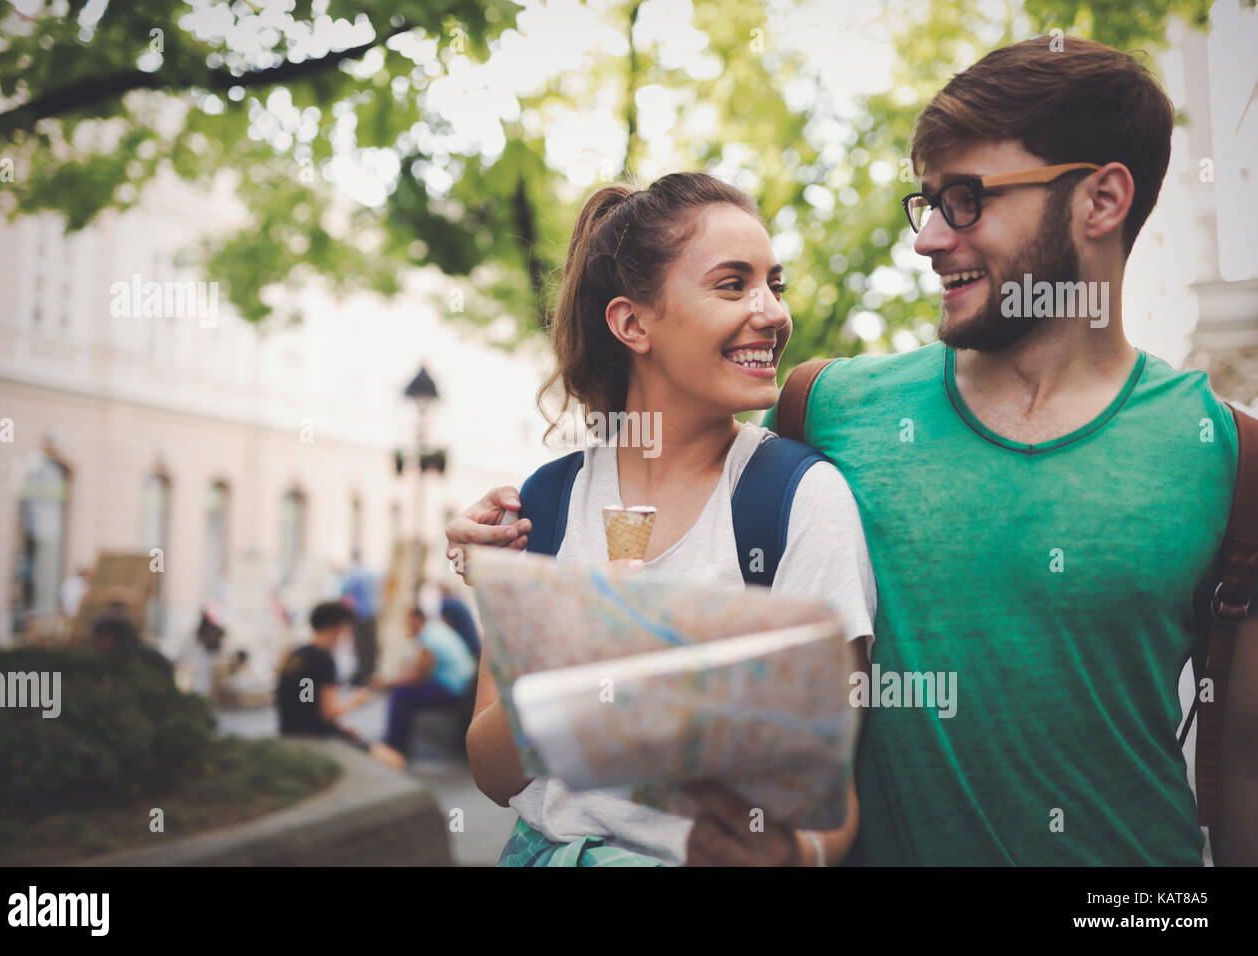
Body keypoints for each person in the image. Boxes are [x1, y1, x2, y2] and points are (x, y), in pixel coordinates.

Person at [451, 39, 1258, 866]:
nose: (929, 238)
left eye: (968, 200)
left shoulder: (1230, 452)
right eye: (929, 203)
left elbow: (1243, 757)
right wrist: (509, 553)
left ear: (1103, 199)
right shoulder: (828, 407)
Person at [448, 172, 877, 867]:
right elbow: (494, 775)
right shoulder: (549, 503)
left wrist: (792, 856)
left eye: (776, 283)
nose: (772, 313)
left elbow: (832, 804)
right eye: (733, 284)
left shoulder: (797, 501)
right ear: (632, 323)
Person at [275, 600, 405, 770]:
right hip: (315, 738)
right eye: (346, 628)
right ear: (333, 627)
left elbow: (305, 704)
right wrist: (358, 700)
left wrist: (340, 729)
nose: (348, 634)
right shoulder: (323, 660)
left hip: (290, 732)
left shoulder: (296, 654)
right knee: (395, 761)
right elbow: (328, 713)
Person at [379, 607, 479, 764]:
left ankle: (395, 746)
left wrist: (390, 682)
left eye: (408, 622)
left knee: (401, 694)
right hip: (463, 685)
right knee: (404, 692)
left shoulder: (428, 636)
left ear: (417, 619)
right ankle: (396, 743)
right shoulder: (436, 629)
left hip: (452, 690)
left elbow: (419, 676)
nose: (407, 626)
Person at [341, 551, 380, 685]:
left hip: (360, 614)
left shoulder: (354, 574)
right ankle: (371, 674)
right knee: (371, 646)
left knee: (362, 647)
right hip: (372, 613)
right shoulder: (372, 573)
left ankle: (364, 676)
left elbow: (347, 595)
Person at [437, 584, 480, 660]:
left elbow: (445, 627)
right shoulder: (456, 602)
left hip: (467, 647)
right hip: (474, 643)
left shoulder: (447, 604)